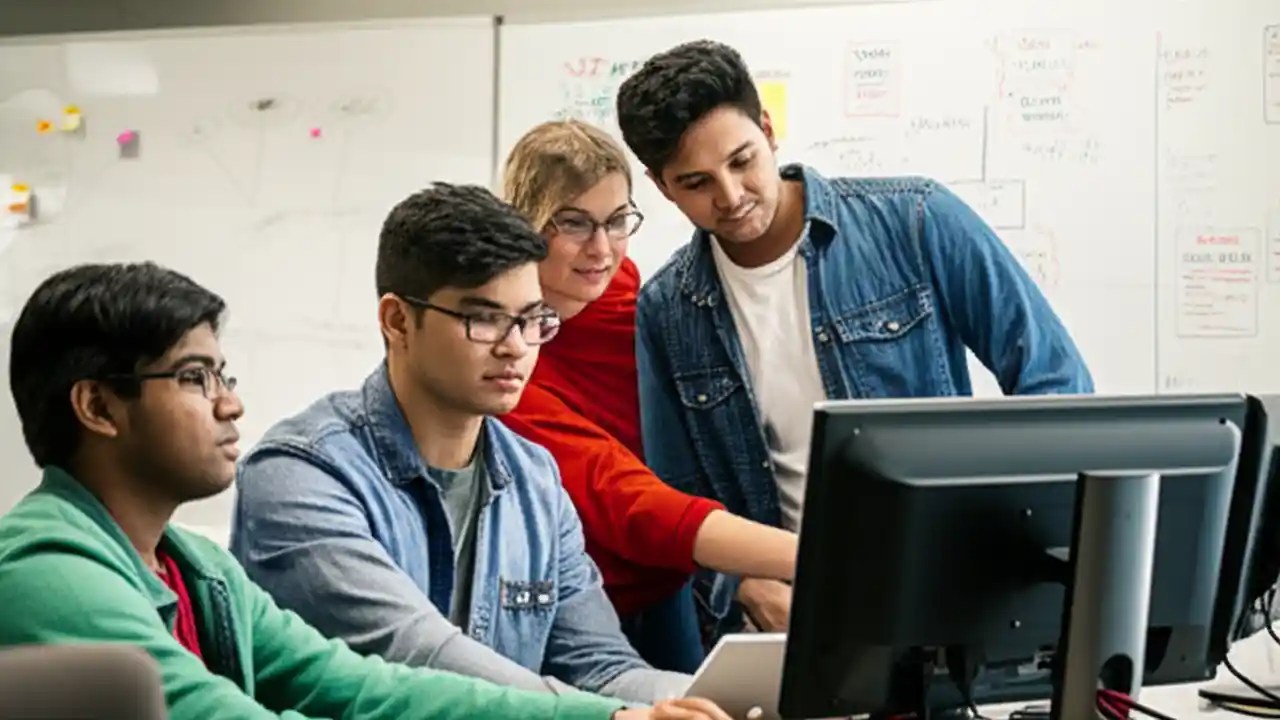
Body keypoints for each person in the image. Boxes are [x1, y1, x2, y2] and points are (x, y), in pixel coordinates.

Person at [0, 261, 723, 720]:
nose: (230, 405)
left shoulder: (195, 567)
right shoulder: (49, 575)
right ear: (96, 407)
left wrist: (611, 718)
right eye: (194, 378)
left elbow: (355, 685)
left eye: (225, 376)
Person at [614, 39, 1095, 639]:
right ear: (662, 187)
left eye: (742, 161)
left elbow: (1055, 384)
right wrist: (739, 583)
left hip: (945, 594)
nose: (731, 197)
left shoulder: (917, 220)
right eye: (696, 182)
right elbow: (678, 498)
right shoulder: (666, 309)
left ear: (768, 129)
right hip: (790, 623)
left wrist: (997, 535)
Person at [231, 183, 712, 706]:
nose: (514, 347)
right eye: (482, 319)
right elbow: (418, 655)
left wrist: (723, 699)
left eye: (532, 320)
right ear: (397, 321)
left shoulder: (535, 480)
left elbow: (601, 668)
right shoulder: (300, 475)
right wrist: (610, 717)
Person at [498, 119, 799, 671]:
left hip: (676, 581)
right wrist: (808, 559)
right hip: (578, 603)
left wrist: (738, 572)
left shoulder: (637, 298)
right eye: (574, 224)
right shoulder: (506, 359)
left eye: (617, 222)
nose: (601, 249)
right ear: (526, 223)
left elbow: (699, 441)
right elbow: (623, 496)